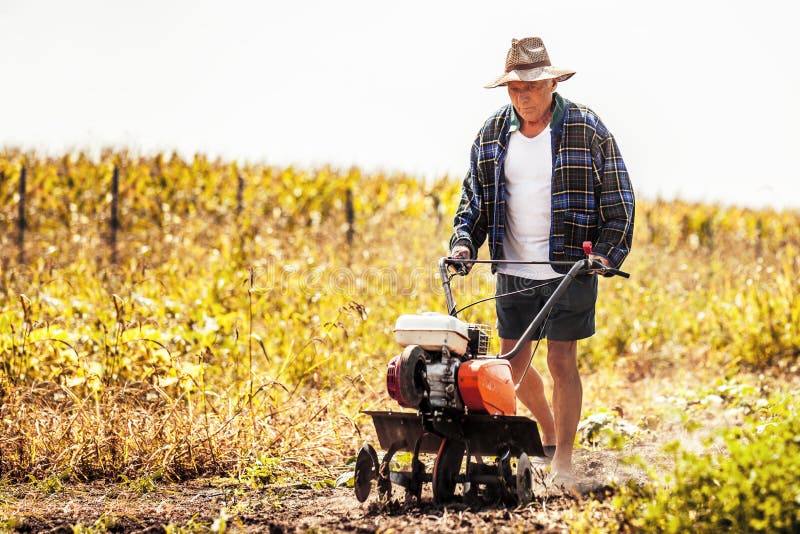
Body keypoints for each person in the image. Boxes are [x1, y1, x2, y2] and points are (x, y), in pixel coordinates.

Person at [449, 37, 634, 481]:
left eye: (531, 86)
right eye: (514, 89)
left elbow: (619, 198)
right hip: (513, 265)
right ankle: (547, 432)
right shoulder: (492, 134)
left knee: (560, 360)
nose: (523, 96)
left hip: (571, 265)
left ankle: (566, 462)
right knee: (512, 361)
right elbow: (474, 200)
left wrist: (607, 253)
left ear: (551, 82)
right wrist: (463, 243)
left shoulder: (586, 129)